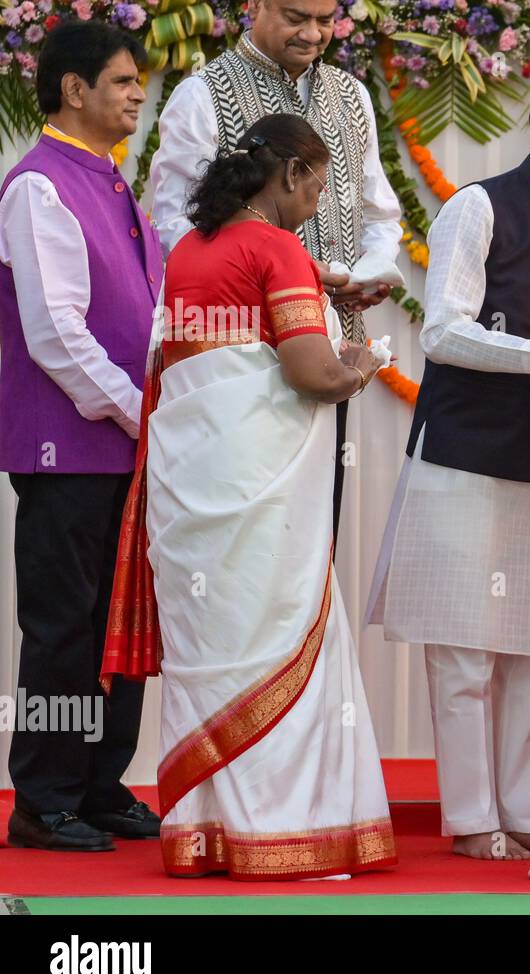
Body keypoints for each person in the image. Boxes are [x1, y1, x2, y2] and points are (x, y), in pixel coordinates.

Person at [101, 114, 396, 880]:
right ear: (292, 175)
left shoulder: (190, 252)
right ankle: (285, 830)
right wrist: (363, 361)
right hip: (258, 498)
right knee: (276, 633)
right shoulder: (276, 248)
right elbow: (311, 375)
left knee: (216, 650)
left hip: (190, 490)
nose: (316, 202)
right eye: (319, 187)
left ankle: (206, 834)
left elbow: (198, 367)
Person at [366, 76, 530, 862]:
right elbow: (443, 332)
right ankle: (471, 815)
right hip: (468, 457)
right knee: (464, 649)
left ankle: (523, 807)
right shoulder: (478, 206)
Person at [150, 0, 403, 539]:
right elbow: (173, 225)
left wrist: (366, 272)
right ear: (254, 7)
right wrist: (277, 265)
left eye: (325, 20)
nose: (313, 34)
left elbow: (379, 211)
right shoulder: (202, 94)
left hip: (329, 353)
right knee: (239, 536)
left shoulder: (351, 95)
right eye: (295, 17)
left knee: (311, 537)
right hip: (237, 368)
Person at [0, 20, 161, 852]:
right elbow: (55, 333)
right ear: (73, 89)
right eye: (124, 79)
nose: (138, 93)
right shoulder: (39, 186)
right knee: (65, 624)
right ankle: (43, 797)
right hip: (70, 449)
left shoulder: (113, 183)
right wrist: (145, 411)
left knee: (121, 621)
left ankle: (100, 784)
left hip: (130, 449)